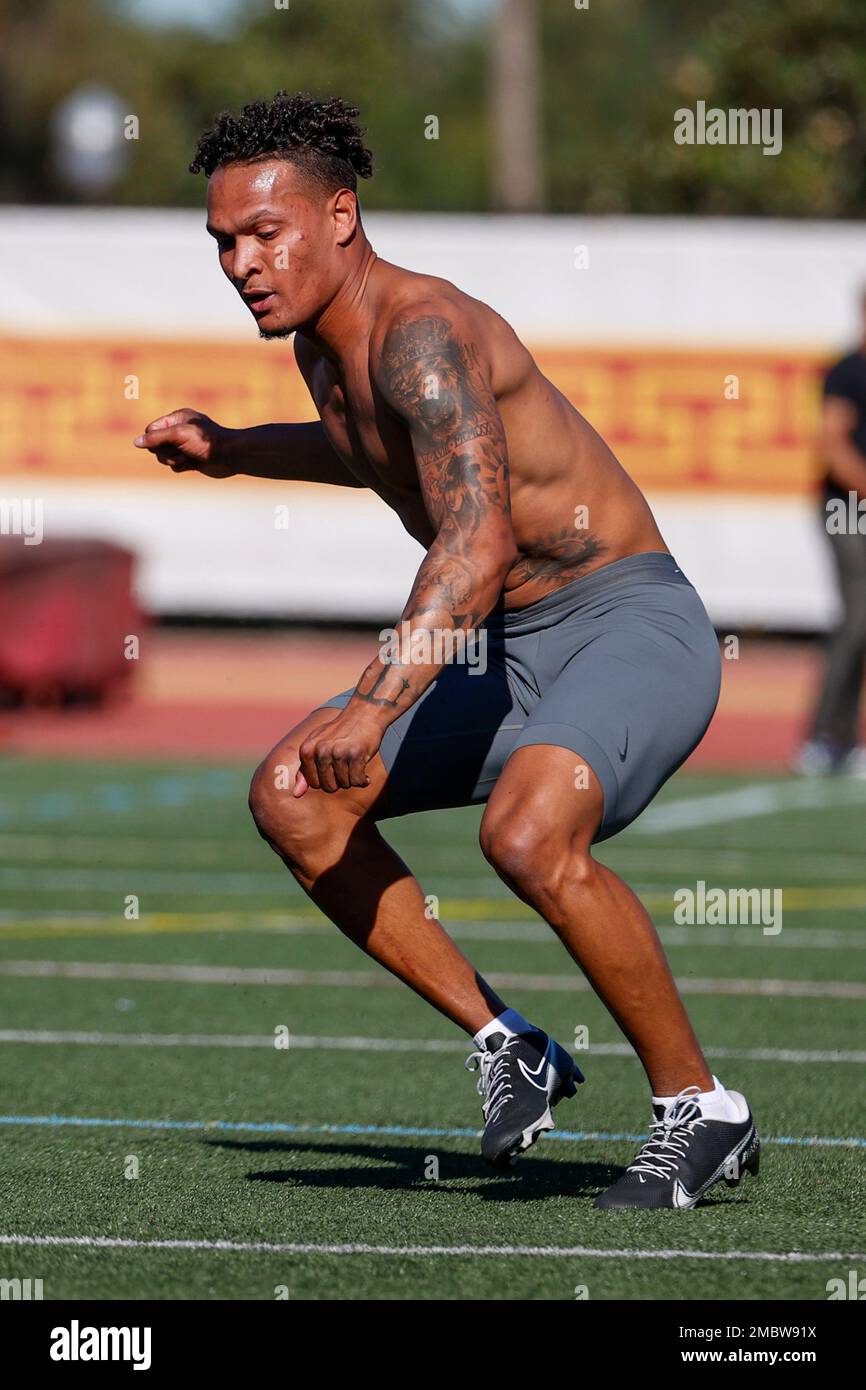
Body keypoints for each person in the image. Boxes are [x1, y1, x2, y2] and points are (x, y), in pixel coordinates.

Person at [135, 92, 759, 1209]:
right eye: (223, 240)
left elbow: (472, 541)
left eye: (264, 233)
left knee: (523, 831)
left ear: (339, 214)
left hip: (625, 619)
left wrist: (373, 704)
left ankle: (696, 1105)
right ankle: (508, 1042)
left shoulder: (422, 328)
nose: (240, 262)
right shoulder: (325, 350)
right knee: (292, 795)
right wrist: (236, 451)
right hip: (506, 642)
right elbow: (377, 447)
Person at [796, 294, 866, 776]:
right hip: (848, 509)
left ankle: (842, 737)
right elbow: (833, 443)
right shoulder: (848, 371)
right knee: (858, 616)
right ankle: (823, 737)